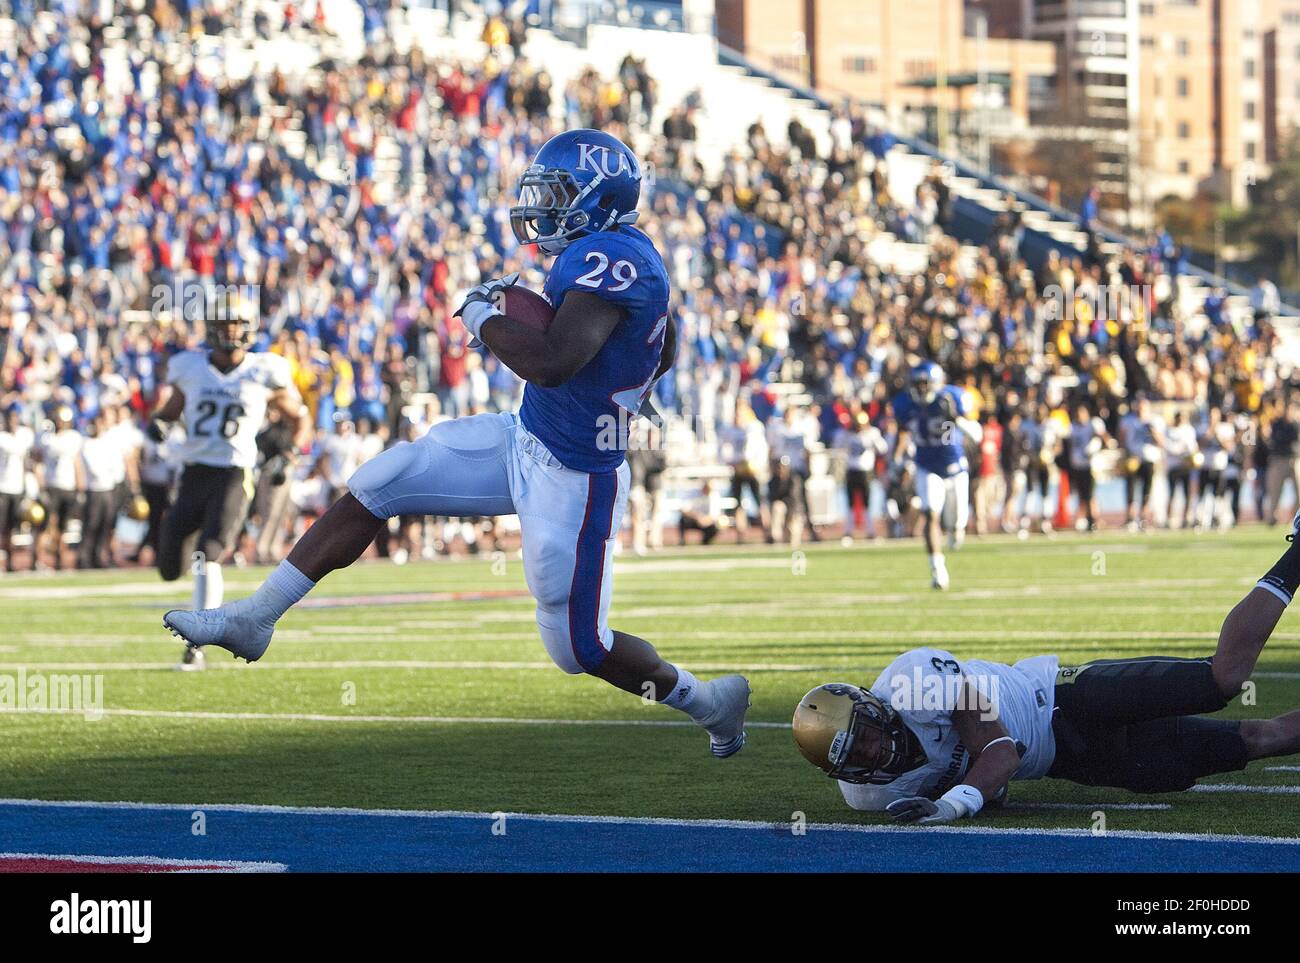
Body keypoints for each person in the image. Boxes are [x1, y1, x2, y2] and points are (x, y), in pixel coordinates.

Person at [164, 130, 752, 758]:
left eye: (556, 193)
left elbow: (552, 362)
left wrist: (481, 318)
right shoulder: (613, 250)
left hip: (576, 476)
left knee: (581, 648)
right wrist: (638, 378)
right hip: (525, 436)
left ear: (596, 198)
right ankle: (255, 617)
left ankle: (707, 701)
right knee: (384, 479)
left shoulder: (613, 257)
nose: (541, 205)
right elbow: (669, 334)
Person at [792, 516, 1300, 821]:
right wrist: (977, 796)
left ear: (875, 707)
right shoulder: (868, 793)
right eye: (858, 755)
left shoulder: (915, 681)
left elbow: (999, 751)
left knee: (1222, 680)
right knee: (1253, 741)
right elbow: (995, 783)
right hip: (1069, 759)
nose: (874, 751)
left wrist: (951, 806)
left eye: (867, 735)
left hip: (1061, 696)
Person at [150, 312, 310, 670]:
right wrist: (158, 426)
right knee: (169, 565)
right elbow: (168, 412)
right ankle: (194, 583)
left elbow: (300, 418)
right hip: (194, 473)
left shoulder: (263, 369)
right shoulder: (190, 367)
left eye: (237, 325)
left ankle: (197, 643)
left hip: (234, 474)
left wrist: (289, 455)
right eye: (224, 325)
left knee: (209, 555)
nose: (230, 332)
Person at [890, 362, 982, 590]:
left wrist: (955, 419)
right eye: (917, 384)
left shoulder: (953, 398)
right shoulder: (905, 404)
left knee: (957, 521)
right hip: (926, 466)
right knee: (930, 514)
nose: (921, 389)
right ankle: (937, 569)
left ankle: (955, 529)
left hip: (954, 467)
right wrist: (898, 456)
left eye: (925, 383)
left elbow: (977, 435)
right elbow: (903, 430)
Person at [0, 407, 35, 573]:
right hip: (3, 487)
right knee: (2, 526)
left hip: (17, 487)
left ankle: (10, 561)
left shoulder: (22, 436)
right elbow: (15, 448)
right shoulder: (3, 438)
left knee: (13, 527)